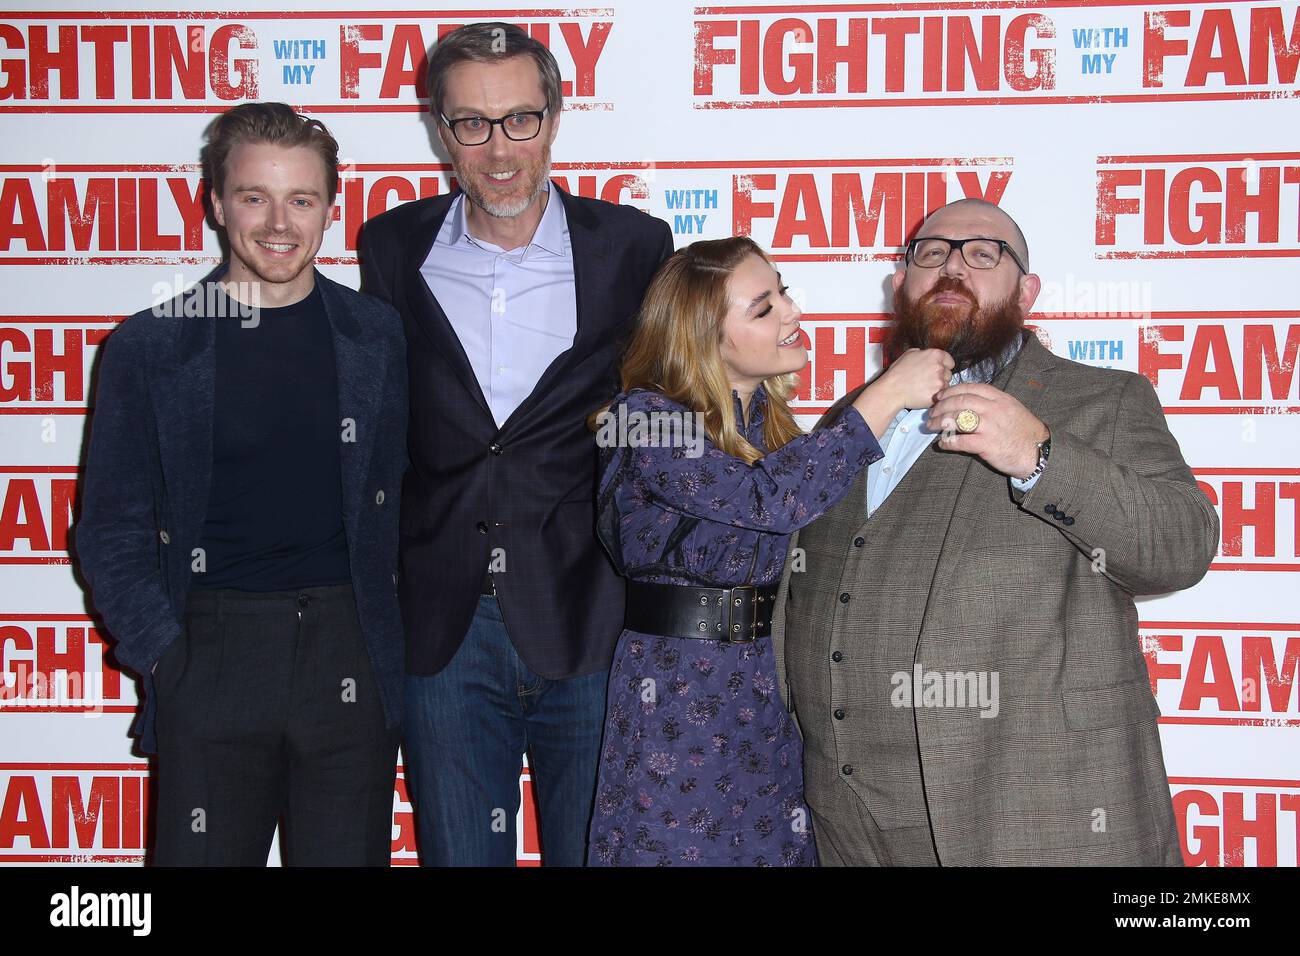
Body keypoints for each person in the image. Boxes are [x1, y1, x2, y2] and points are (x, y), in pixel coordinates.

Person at [772, 198, 1221, 866]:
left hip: (1034, 814)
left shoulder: (1102, 399)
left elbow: (1181, 548)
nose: (953, 267)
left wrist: (1041, 457)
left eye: (984, 254)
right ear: (902, 284)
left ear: (1027, 290)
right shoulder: (853, 416)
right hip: (851, 826)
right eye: (931, 253)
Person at [358, 22, 673, 866]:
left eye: (519, 120)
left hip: (591, 616)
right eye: (471, 123)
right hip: (442, 626)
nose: (498, 151)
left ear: (555, 119)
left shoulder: (635, 248)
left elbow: (669, 420)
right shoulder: (391, 246)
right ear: (439, 128)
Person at [75, 102, 408, 865]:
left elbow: (407, 495)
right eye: (255, 197)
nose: (279, 222)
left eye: (301, 199)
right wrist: (165, 654)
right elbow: (111, 526)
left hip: (347, 653)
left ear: (331, 205)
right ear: (217, 203)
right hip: (211, 651)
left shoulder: (376, 337)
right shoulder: (150, 347)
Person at [585, 236, 953, 865]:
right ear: (706, 338)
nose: (790, 311)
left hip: (763, 689)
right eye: (763, 308)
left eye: (782, 290)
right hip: (675, 693)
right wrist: (887, 394)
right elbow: (768, 501)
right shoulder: (644, 417)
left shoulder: (773, 430)